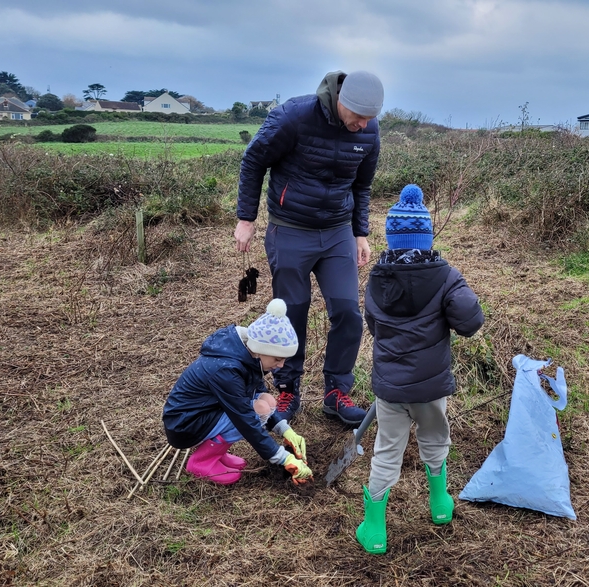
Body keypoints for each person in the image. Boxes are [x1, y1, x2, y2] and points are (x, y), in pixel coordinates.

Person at [234, 70, 385, 427]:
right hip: (290, 229)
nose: (363, 125)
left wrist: (359, 233)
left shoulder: (369, 131)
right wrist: (246, 218)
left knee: (348, 312)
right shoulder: (293, 117)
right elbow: (253, 161)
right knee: (291, 313)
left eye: (370, 118)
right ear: (341, 101)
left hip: (337, 231)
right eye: (358, 116)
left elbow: (362, 185)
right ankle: (288, 389)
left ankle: (337, 393)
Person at [356, 184, 485, 554]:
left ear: (392, 239)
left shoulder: (377, 278)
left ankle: (374, 529)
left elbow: (373, 325)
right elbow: (470, 322)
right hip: (430, 388)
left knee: (387, 450)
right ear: (427, 238)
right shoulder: (446, 276)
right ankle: (440, 502)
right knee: (434, 437)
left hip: (391, 388)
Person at [162, 299, 314, 486]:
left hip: (205, 412)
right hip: (184, 425)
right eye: (277, 358)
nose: (281, 365)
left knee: (267, 400)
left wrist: (285, 430)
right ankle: (202, 462)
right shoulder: (226, 370)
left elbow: (256, 391)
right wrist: (283, 458)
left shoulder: (246, 355)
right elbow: (245, 419)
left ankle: (217, 453)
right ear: (261, 349)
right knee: (259, 410)